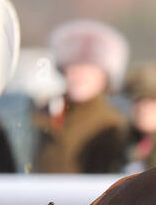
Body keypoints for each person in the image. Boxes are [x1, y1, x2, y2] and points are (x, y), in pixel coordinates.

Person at [35, 19, 131, 175]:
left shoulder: (113, 123)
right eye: (73, 67)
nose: (79, 76)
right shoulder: (42, 114)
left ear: (105, 76)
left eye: (89, 69)